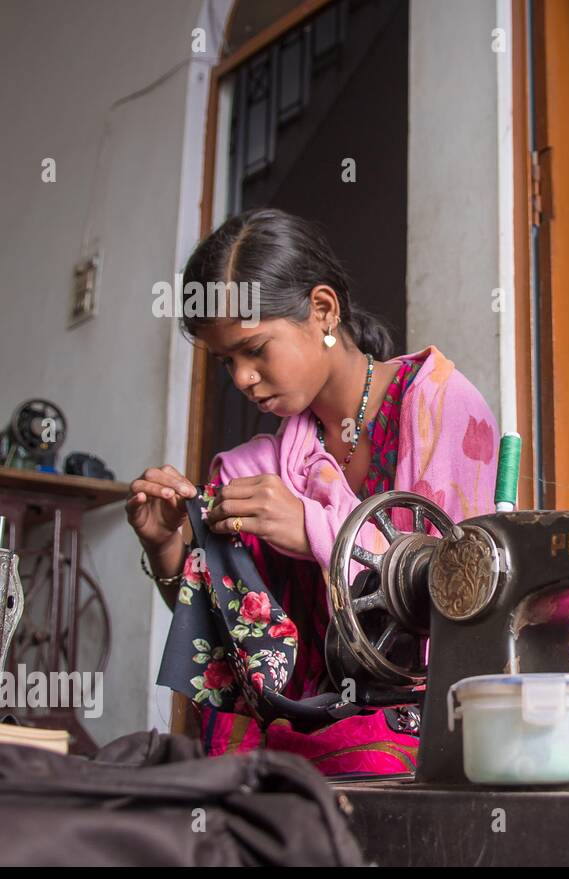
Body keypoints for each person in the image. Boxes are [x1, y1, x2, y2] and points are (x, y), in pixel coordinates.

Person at [128, 208, 498, 775]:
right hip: (322, 711)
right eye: (227, 361)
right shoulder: (263, 466)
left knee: (327, 766)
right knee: (225, 766)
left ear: (322, 310)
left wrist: (315, 531)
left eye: (255, 349)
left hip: (424, 707)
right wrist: (167, 549)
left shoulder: (438, 408)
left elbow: (468, 597)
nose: (242, 379)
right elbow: (236, 637)